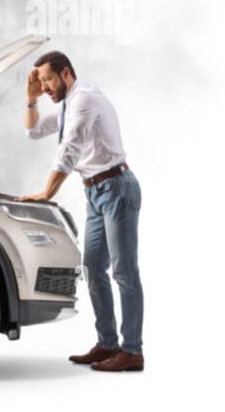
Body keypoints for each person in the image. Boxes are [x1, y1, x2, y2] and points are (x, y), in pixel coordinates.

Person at [19, 50, 144, 372]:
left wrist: (47, 192)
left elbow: (69, 148)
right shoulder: (67, 107)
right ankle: (107, 344)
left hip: (116, 187)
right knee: (92, 269)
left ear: (65, 73)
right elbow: (33, 132)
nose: (45, 86)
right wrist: (30, 100)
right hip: (94, 191)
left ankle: (132, 351)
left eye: (47, 79)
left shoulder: (85, 99)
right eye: (41, 81)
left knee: (124, 272)